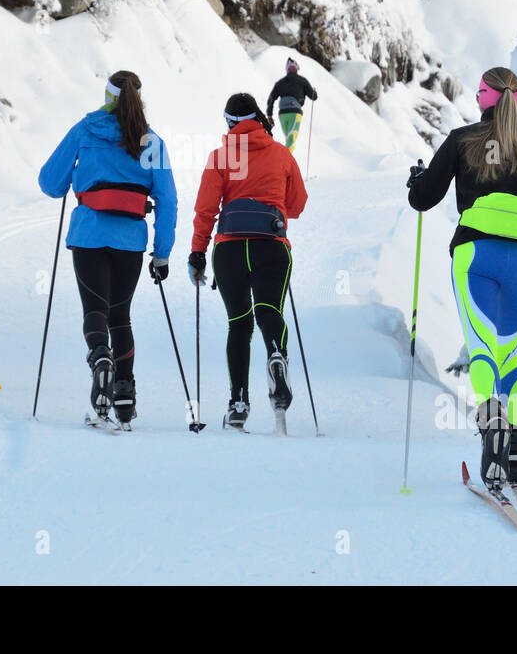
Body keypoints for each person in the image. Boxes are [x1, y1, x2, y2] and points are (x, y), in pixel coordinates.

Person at [407, 66, 517, 500]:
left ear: (484, 97)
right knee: (508, 357)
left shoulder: (463, 140)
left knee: (483, 351)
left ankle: (493, 432)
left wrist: (415, 180)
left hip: (476, 255)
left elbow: (424, 198)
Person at [38, 71, 178, 425]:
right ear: (139, 99)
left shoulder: (85, 131)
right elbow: (167, 200)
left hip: (88, 235)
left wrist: (75, 176)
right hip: (129, 240)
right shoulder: (151, 142)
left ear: (106, 96)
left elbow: (49, 183)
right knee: (120, 315)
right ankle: (125, 393)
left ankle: (100, 357)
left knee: (95, 311)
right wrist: (162, 253)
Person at [188, 93, 308, 431]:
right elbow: (297, 205)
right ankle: (276, 356)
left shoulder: (220, 157)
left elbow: (206, 210)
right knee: (269, 312)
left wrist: (197, 253)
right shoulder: (281, 153)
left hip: (229, 250)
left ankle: (238, 403)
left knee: (239, 324)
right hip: (271, 246)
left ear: (229, 123)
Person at [265, 57, 318, 154]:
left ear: (287, 69)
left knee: (288, 140)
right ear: (296, 68)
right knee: (291, 142)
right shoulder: (302, 81)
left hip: (282, 114)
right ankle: (282, 163)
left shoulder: (280, 83)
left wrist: (269, 115)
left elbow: (271, 99)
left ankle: (282, 162)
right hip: (295, 112)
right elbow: (313, 97)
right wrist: (313, 91)